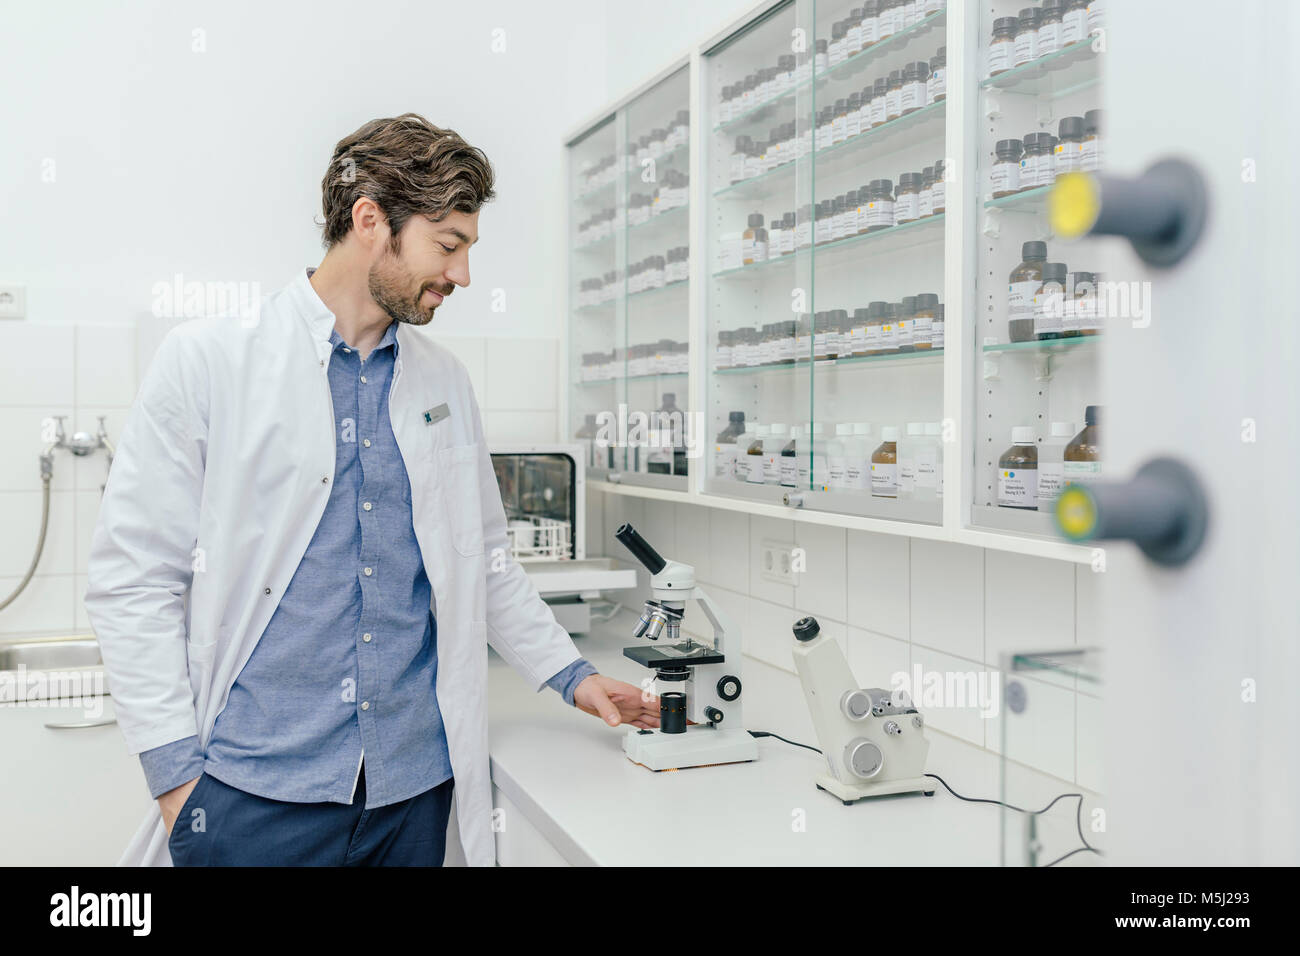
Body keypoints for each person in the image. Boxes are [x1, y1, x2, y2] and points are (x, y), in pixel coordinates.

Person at [84, 113, 658, 867]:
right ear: (369, 221)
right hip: (254, 798)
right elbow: (133, 576)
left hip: (408, 797)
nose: (461, 275)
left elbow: (485, 559)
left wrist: (572, 676)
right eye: (447, 246)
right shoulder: (209, 362)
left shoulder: (442, 381)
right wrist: (175, 784)